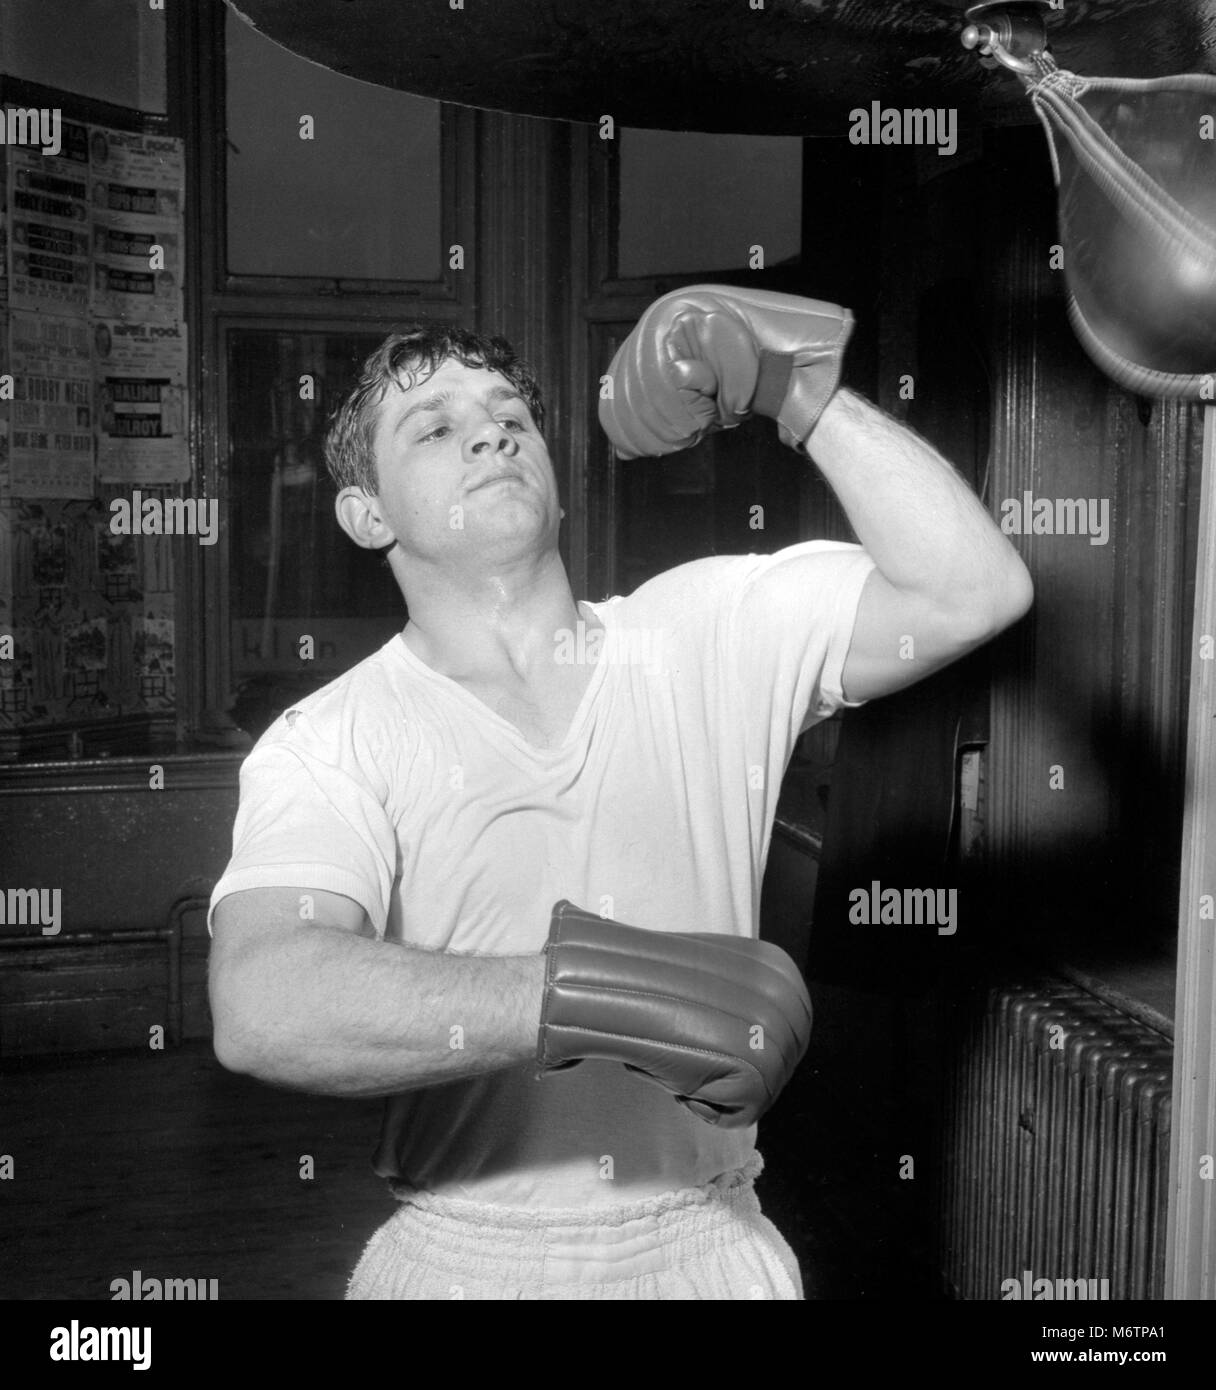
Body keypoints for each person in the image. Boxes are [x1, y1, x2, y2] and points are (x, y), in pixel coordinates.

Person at [207, 285, 1033, 1300]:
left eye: (512, 419)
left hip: (706, 1245)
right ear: (365, 513)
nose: (492, 437)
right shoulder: (330, 739)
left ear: (557, 485)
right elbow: (262, 1001)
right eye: (436, 427)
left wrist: (802, 395)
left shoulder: (703, 628)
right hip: (463, 1256)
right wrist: (592, 994)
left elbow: (973, 589)